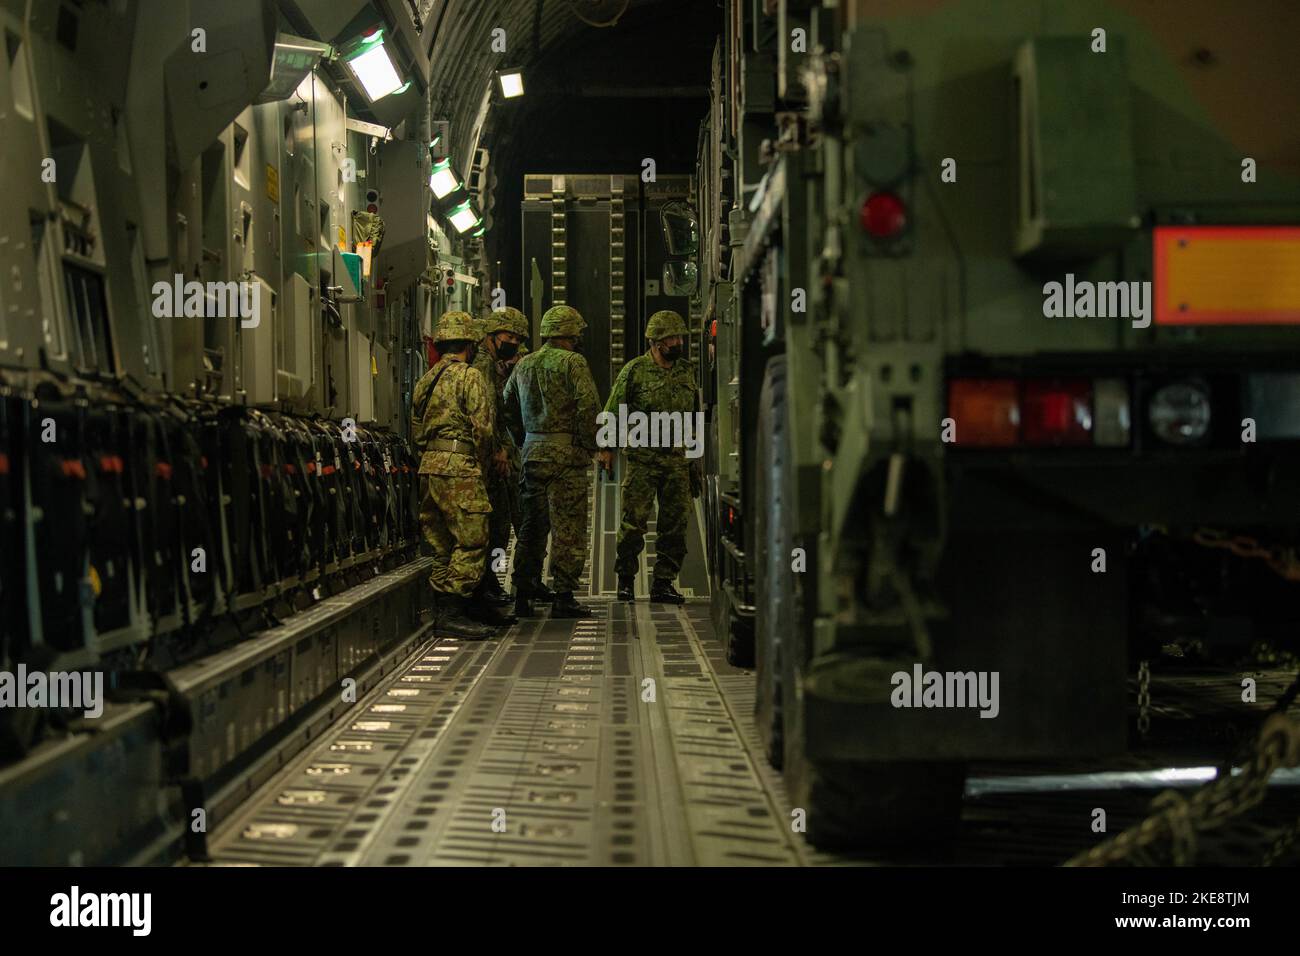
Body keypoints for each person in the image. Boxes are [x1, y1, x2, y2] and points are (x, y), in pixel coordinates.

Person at [503, 305, 601, 618]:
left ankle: (524, 592)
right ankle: (563, 594)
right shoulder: (574, 363)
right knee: (568, 526)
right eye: (578, 333)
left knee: (532, 525)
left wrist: (523, 440)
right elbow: (588, 407)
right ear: (569, 333)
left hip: (532, 453)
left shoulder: (524, 364)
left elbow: (506, 405)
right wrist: (590, 444)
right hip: (566, 458)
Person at [599, 310, 699, 605]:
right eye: (672, 338)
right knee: (634, 523)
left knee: (676, 524)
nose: (678, 342)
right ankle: (626, 580)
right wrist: (606, 447)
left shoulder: (686, 371)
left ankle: (664, 583)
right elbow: (614, 407)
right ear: (656, 342)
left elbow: (692, 416)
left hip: (676, 459)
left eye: (680, 337)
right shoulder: (634, 371)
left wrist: (694, 455)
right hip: (643, 459)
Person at [411, 311, 501, 638]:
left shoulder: (426, 380)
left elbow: (417, 431)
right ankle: (453, 609)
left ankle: (442, 606)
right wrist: (481, 467)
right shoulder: (470, 376)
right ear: (470, 343)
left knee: (441, 542)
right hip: (460, 465)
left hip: (430, 466)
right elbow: (483, 430)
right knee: (473, 537)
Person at [471, 307, 528, 614]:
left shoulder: (492, 364)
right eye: (509, 336)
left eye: (518, 338)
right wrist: (497, 452)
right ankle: (485, 586)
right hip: (483, 461)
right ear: (492, 337)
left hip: (492, 455)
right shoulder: (482, 366)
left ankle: (490, 582)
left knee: (499, 524)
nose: (514, 342)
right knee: (491, 525)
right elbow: (487, 415)